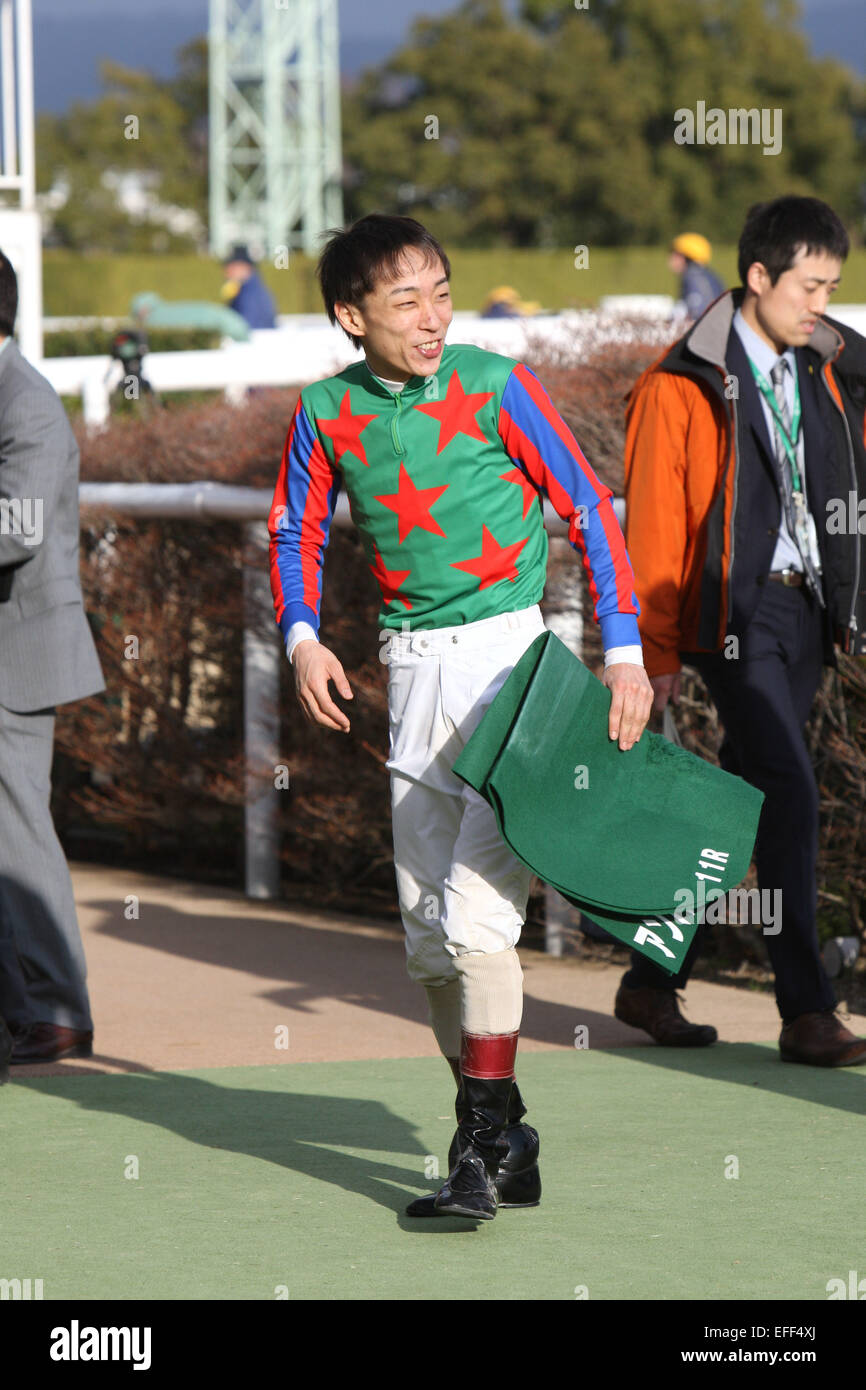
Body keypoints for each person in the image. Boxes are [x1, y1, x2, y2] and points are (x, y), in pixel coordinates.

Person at [269, 213, 653, 1220]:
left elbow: (587, 506)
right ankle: (501, 1126)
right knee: (430, 945)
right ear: (350, 315)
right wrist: (303, 637)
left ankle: (477, 1155)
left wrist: (621, 653)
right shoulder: (323, 410)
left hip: (514, 668)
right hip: (409, 682)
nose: (433, 316)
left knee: (482, 926)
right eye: (405, 300)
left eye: (441, 291)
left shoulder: (491, 383)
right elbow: (296, 527)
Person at [618, 195, 866, 1067]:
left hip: (809, 611)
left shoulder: (834, 363)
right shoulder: (680, 381)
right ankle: (805, 1009)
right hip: (731, 616)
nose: (819, 302)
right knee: (791, 793)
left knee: (743, 800)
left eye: (832, 285)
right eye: (807, 285)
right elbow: (650, 527)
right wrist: (649, 657)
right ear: (757, 277)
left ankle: (650, 977)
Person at [0, 249, 105, 1065]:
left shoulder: (25, 403)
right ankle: (25, 1003)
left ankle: (58, 1009)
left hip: (18, 655)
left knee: (17, 828)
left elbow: (19, 528)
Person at [668, 233, 725, 322]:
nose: (671, 259)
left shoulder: (693, 277)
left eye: (676, 254)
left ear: (687, 258)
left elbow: (696, 315)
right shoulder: (708, 276)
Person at [221, 246, 277, 330]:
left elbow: (246, 327)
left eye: (231, 267)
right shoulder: (249, 290)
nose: (227, 273)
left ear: (244, 267)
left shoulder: (250, 294)